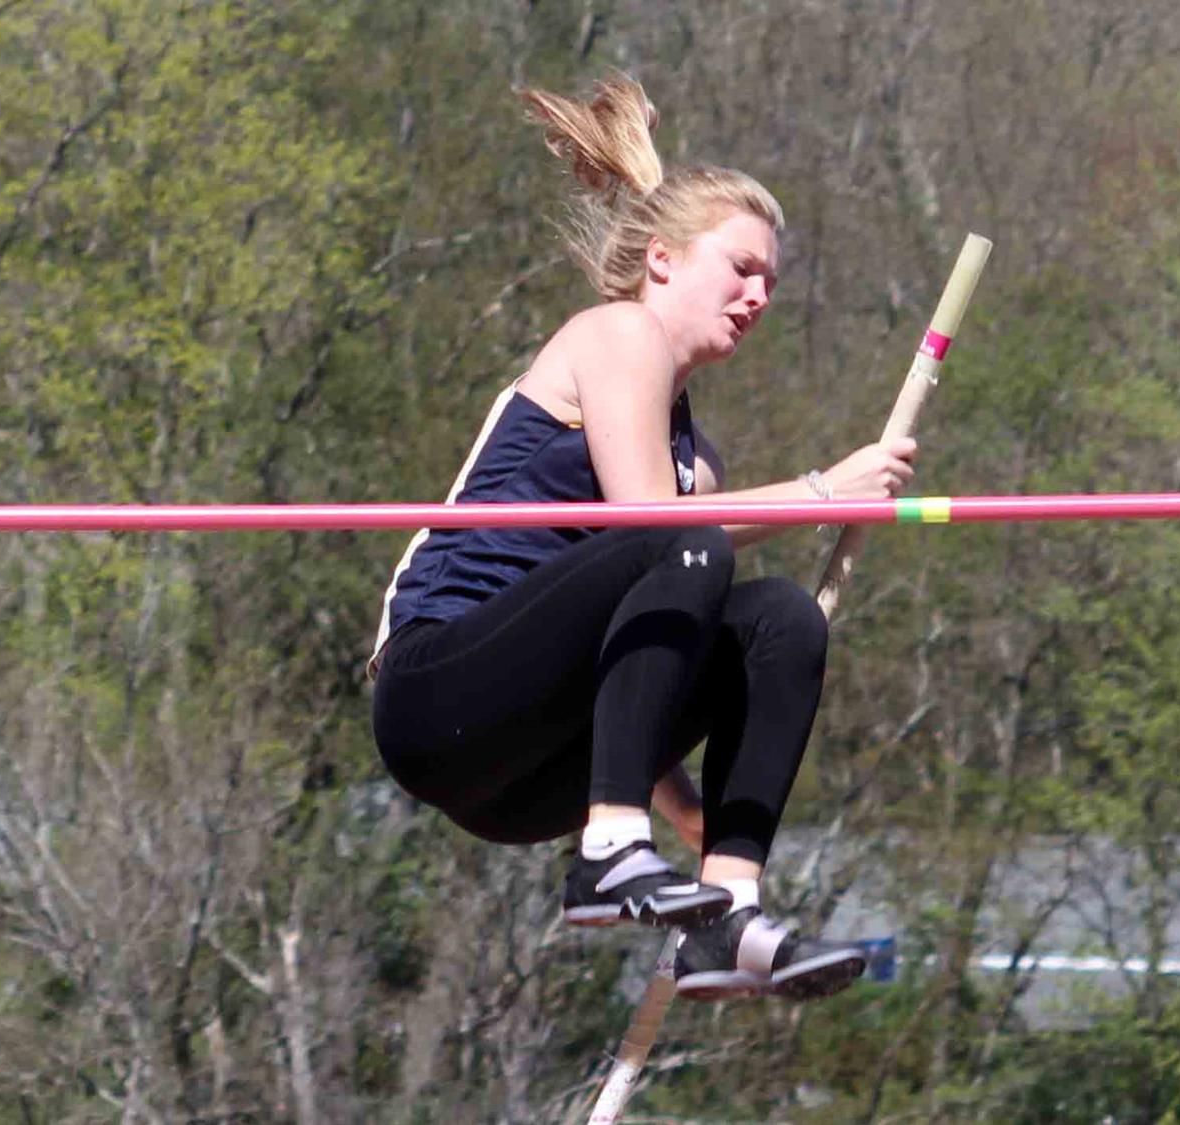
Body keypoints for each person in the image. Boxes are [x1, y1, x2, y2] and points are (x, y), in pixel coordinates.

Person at [369, 74, 917, 1002]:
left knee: (779, 616)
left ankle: (727, 912)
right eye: (741, 267)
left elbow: (640, 650)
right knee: (690, 541)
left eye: (772, 283)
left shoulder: (693, 457)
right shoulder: (618, 334)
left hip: (532, 775)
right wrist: (827, 489)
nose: (759, 296)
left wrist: (687, 810)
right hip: (435, 696)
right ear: (661, 259)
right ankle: (608, 857)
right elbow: (655, 527)